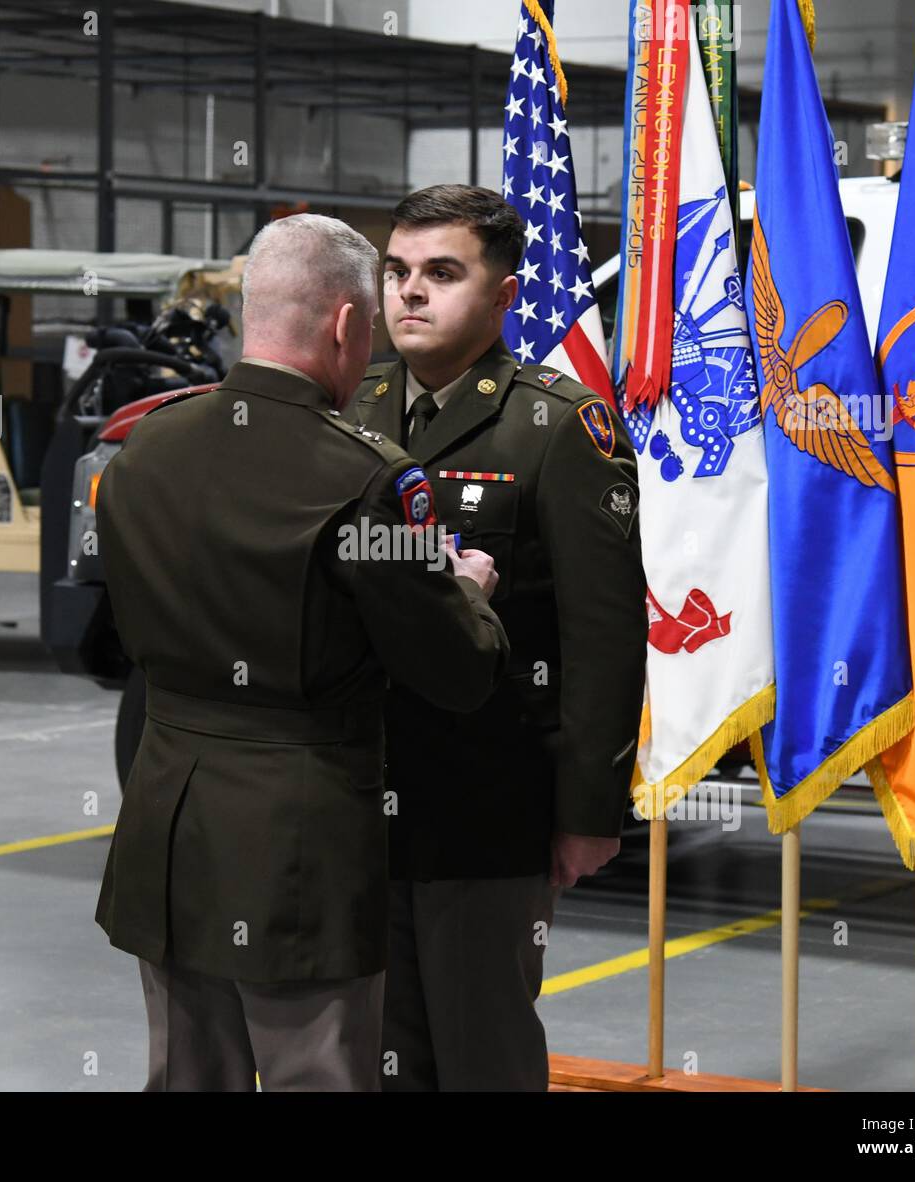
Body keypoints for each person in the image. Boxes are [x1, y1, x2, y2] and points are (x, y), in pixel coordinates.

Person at [92, 212, 510, 1092]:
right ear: (350, 326)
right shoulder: (365, 478)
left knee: (185, 1075)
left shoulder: (141, 451)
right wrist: (467, 591)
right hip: (297, 850)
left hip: (168, 827)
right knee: (315, 1075)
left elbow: (115, 639)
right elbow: (456, 671)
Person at [345, 184, 648, 1091]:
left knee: (481, 1051)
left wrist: (589, 811)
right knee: (380, 1053)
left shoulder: (559, 427)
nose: (409, 294)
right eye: (396, 271)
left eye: (441, 273)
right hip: (357, 793)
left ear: (506, 295)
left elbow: (605, 632)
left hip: (488, 800)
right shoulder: (350, 407)